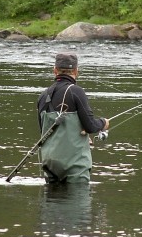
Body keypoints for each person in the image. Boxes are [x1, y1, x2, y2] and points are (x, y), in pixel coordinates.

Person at [36, 53, 109, 183]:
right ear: (76, 71)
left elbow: (45, 130)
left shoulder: (43, 95)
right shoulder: (76, 91)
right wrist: (103, 123)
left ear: (55, 71)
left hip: (49, 162)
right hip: (73, 164)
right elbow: (91, 126)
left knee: (51, 201)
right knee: (78, 199)